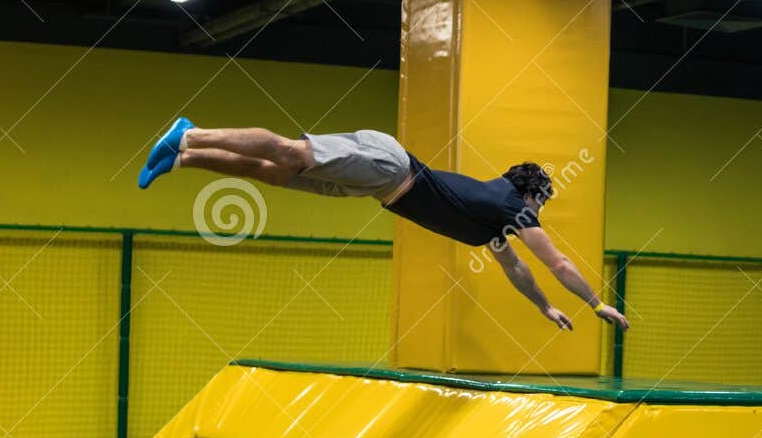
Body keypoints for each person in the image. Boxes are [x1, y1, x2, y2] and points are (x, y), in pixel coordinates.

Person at [137, 118, 628, 332]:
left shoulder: (493, 219)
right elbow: (556, 260)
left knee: (276, 175)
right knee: (289, 152)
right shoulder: (512, 206)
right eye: (542, 202)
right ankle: (192, 132)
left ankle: (184, 157)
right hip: (391, 167)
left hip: (377, 186)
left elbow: (516, 269)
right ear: (531, 194)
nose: (540, 214)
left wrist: (544, 307)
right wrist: (595, 301)